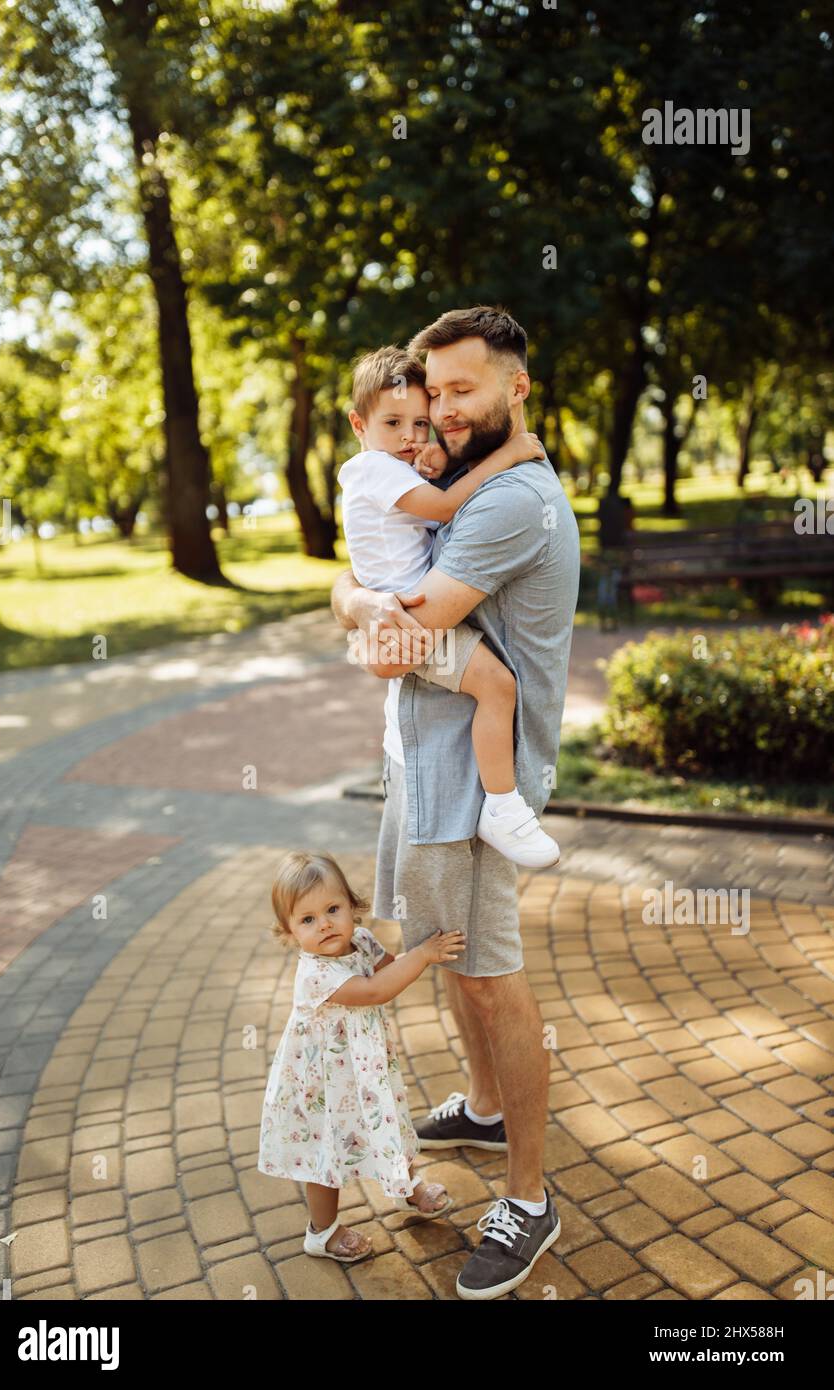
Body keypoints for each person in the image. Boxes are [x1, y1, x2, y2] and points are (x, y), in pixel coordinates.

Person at [331, 305, 581, 1300]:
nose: (438, 412)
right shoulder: (430, 476)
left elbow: (387, 642)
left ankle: (527, 1197)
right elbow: (347, 603)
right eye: (429, 394)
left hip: (475, 782)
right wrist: (355, 605)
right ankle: (482, 1105)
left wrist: (364, 618)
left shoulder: (505, 500)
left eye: (461, 391)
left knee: (487, 975)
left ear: (515, 390)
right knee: (443, 951)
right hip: (420, 756)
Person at [339, 345, 560, 868]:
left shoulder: (388, 466)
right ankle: (503, 806)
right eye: (393, 423)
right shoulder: (372, 468)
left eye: (421, 422)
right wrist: (506, 457)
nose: (410, 437)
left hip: (411, 614)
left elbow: (431, 504)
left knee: (496, 686)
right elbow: (441, 508)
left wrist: (436, 461)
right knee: (498, 686)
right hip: (414, 625)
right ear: (358, 424)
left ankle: (502, 803)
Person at [257, 850, 466, 1263]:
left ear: (353, 907)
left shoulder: (360, 941)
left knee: (389, 1121)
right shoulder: (315, 973)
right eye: (308, 919)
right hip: (323, 1085)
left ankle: (405, 1188)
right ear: (289, 931)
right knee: (325, 1154)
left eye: (333, 909)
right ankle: (322, 1231)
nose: (325, 925)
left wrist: (423, 950)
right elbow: (375, 990)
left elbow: (390, 968)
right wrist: (423, 954)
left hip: (364, 1070)